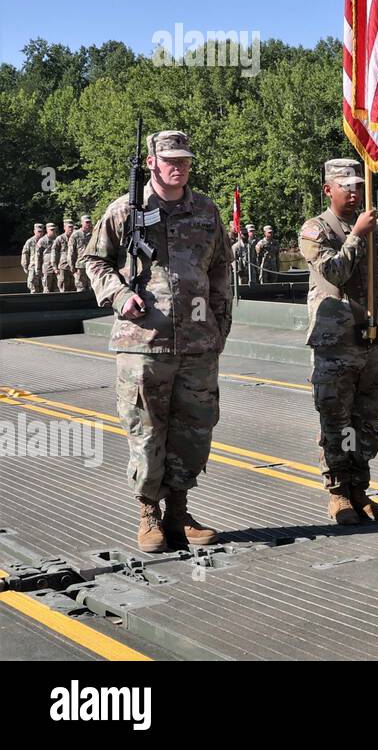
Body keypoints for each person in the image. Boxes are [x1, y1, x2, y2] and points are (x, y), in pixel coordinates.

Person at [82, 129, 233, 553]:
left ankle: (178, 513)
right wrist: (119, 294)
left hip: (198, 344)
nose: (179, 166)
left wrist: (220, 325)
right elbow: (94, 259)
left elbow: (221, 268)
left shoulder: (206, 210)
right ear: (152, 162)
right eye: (171, 160)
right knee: (147, 431)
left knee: (194, 430)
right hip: (143, 341)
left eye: (185, 159)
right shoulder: (125, 209)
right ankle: (148, 512)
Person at [298, 159, 378, 525]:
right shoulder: (316, 230)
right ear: (329, 190)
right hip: (336, 341)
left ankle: (360, 488)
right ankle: (338, 492)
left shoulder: (374, 230)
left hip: (371, 338)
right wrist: (356, 234)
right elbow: (334, 273)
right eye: (347, 187)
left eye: (359, 186)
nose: (355, 192)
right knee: (336, 420)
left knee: (366, 420)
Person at [50, 219, 76, 291]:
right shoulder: (60, 238)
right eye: (69, 227)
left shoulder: (76, 237)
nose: (71, 228)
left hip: (75, 266)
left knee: (75, 287)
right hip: (64, 267)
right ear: (64, 227)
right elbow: (54, 252)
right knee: (63, 287)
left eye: (72, 227)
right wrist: (55, 267)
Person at [71, 214, 94, 290]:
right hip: (81, 265)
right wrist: (72, 267)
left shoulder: (94, 233)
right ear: (82, 223)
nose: (88, 224)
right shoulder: (76, 234)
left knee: (92, 287)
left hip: (92, 264)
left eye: (89, 222)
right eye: (86, 222)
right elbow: (71, 252)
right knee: (81, 288)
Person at [21, 221, 44, 294]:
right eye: (38, 231)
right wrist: (25, 266)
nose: (40, 233)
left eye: (41, 231)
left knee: (44, 284)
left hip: (44, 266)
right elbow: (25, 253)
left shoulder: (45, 240)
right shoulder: (30, 241)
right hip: (33, 266)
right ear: (34, 231)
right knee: (33, 284)